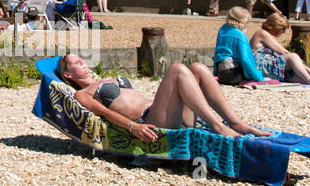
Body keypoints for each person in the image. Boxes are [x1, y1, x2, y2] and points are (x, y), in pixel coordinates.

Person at [54, 53, 270, 140]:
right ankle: (217, 126)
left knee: (197, 67)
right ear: (67, 74)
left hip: (170, 115)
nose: (82, 60)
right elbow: (105, 114)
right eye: (76, 61)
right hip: (150, 122)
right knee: (177, 69)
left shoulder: (105, 79)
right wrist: (133, 127)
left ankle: (236, 123)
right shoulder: (83, 94)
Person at [213, 8, 310, 86]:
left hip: (265, 66)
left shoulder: (226, 31)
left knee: (291, 76)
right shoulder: (262, 33)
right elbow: (284, 52)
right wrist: (307, 68)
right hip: (259, 65)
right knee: (293, 57)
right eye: (283, 30)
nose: (283, 33)